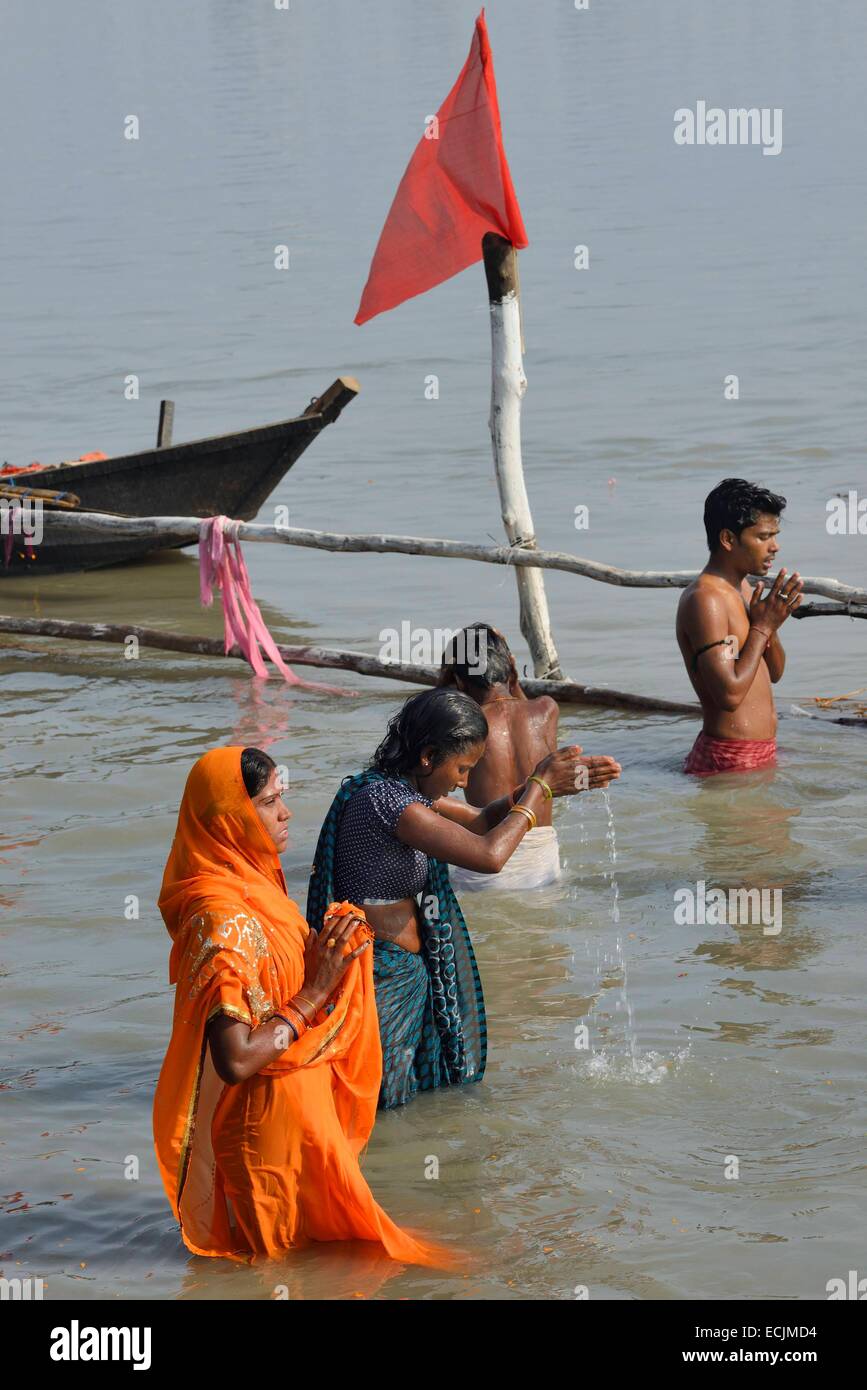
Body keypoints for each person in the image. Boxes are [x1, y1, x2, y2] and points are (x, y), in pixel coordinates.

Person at [152, 744, 449, 1266]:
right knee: (282, 1266)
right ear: (230, 821)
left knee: (335, 1264)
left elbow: (281, 987)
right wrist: (316, 989)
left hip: (299, 1119)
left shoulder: (256, 891)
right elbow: (236, 1058)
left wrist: (334, 954)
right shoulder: (223, 918)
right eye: (268, 803)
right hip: (264, 1132)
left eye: (281, 797)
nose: (285, 812)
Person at [307, 687, 621, 1109]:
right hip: (380, 975)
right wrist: (538, 791)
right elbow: (489, 856)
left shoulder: (401, 793)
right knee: (381, 1100)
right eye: (462, 768)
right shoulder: (391, 804)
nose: (465, 781)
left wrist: (543, 788)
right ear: (427, 756)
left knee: (398, 1096)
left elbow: (479, 820)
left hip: (399, 974)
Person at [676, 478, 803, 775]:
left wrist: (771, 624)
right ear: (728, 540)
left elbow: (776, 672)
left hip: (760, 750)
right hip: (729, 757)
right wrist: (762, 628)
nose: (775, 547)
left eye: (775, 535)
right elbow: (729, 696)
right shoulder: (705, 599)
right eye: (763, 537)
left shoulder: (745, 587)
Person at [438, 621, 563, 890]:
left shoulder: (463, 725)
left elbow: (427, 713)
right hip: (543, 867)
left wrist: (443, 680)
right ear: (510, 670)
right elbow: (518, 703)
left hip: (486, 861)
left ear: (458, 681)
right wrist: (512, 672)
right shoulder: (547, 710)